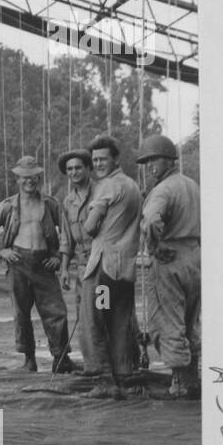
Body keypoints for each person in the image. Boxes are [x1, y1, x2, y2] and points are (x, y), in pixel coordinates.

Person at [0, 156, 75, 373]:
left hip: (44, 264)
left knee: (56, 311)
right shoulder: (9, 206)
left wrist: (59, 258)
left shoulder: (51, 204)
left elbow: (66, 234)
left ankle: (60, 359)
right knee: (21, 313)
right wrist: (1, 249)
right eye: (24, 177)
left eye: (33, 176)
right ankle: (29, 360)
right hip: (18, 264)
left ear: (39, 177)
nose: (29, 181)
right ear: (18, 179)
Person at [136, 133, 201, 399]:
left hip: (169, 258)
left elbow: (151, 220)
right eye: (147, 162)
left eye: (155, 160)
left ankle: (180, 382)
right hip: (195, 258)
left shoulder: (162, 190)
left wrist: (154, 247)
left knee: (167, 321)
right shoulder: (192, 185)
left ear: (168, 160)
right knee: (191, 320)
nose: (150, 167)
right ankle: (192, 377)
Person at [81, 133, 141, 398]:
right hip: (125, 269)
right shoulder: (133, 186)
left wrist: (89, 227)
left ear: (115, 159)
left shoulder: (106, 186)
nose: (98, 164)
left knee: (96, 321)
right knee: (120, 322)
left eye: (103, 159)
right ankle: (124, 374)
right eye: (94, 160)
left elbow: (90, 226)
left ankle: (104, 380)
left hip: (104, 269)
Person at [56, 147, 105, 375]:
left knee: (104, 312)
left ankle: (115, 365)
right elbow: (66, 238)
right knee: (84, 316)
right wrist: (64, 268)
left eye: (78, 167)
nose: (74, 172)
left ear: (88, 168)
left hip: (104, 265)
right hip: (82, 266)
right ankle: (92, 366)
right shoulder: (67, 202)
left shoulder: (103, 192)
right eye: (69, 169)